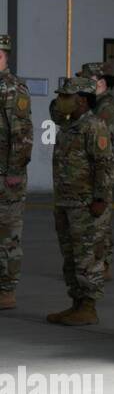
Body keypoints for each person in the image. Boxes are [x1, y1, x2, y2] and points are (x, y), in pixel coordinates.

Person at [46, 76, 114, 326]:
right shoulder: (68, 126)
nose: (61, 102)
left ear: (82, 101)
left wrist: (100, 199)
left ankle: (88, 307)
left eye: (66, 97)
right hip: (66, 202)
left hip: (86, 205)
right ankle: (76, 303)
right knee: (71, 257)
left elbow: (105, 166)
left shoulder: (94, 126)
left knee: (88, 258)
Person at [81, 61, 114, 280]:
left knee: (100, 217)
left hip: (104, 167)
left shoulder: (109, 107)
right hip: (89, 165)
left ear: (101, 83)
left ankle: (102, 262)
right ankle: (94, 260)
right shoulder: (93, 103)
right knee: (92, 217)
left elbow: (99, 132)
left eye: (89, 80)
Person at [0, 33, 32, 312]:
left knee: (8, 234)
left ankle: (6, 290)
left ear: (5, 55)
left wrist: (14, 171)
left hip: (6, 176)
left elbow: (21, 135)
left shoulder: (12, 88)